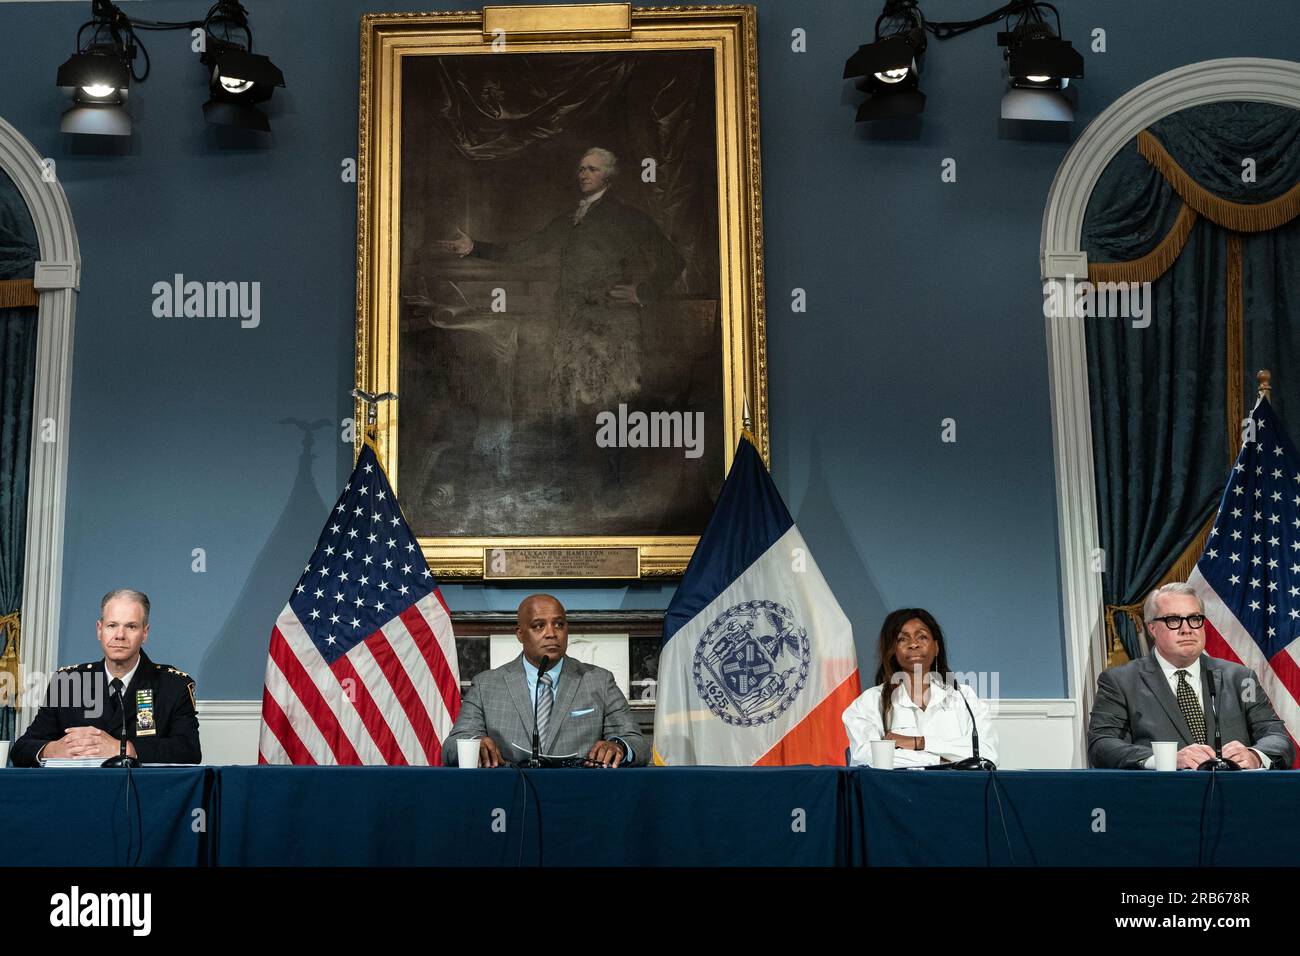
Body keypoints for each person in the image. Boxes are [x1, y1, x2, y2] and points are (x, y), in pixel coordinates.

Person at [437, 147, 685, 417]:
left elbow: (673, 261)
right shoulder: (571, 218)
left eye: (593, 169)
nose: (584, 174)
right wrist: (474, 247)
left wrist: (643, 292)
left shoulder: (628, 217)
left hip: (612, 325)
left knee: (612, 403)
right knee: (572, 405)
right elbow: (526, 249)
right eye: (581, 168)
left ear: (609, 177)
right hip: (571, 321)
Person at [1087, 582, 1293, 769]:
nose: (1187, 629)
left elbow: (1276, 736)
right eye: (1173, 620)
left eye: (1194, 619)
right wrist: (1165, 760)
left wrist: (1255, 755)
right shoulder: (1120, 682)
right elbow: (1102, 746)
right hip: (1160, 800)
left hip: (1234, 800)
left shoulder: (1240, 678)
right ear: (1152, 628)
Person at [444, 593, 644, 767]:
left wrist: (619, 746)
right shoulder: (486, 685)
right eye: (538, 626)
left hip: (581, 795)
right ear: (520, 634)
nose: (551, 633)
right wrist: (474, 743)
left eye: (559, 624)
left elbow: (636, 743)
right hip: (509, 797)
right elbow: (452, 747)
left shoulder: (599, 681)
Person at [11, 589, 200, 767]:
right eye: (112, 625)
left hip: (143, 795)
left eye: (131, 626)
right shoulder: (69, 682)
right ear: (99, 630)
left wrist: (125, 749)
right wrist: (52, 750)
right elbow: (22, 749)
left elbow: (189, 750)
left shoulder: (173, 686)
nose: (119, 635)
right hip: (79, 793)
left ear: (145, 633)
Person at [842, 608, 998, 768]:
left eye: (922, 636)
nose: (913, 644)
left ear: (936, 647)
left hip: (956, 791)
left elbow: (987, 754)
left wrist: (919, 743)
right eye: (903, 639)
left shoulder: (963, 696)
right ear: (891, 649)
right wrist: (941, 761)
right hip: (895, 791)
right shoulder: (870, 702)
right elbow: (868, 757)